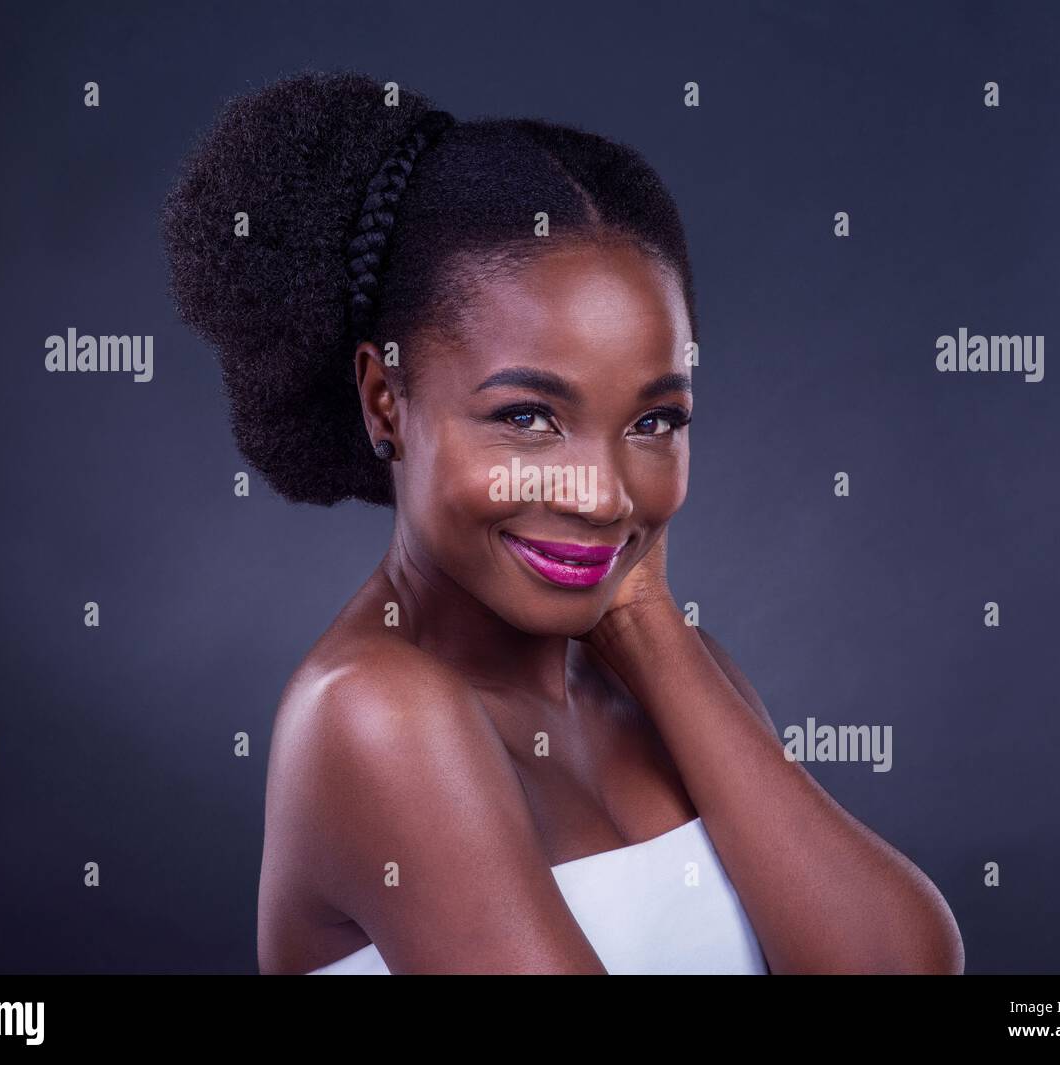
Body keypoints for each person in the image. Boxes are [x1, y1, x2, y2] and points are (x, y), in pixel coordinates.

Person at [161, 69, 964, 975]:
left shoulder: (661, 675)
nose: (603, 493)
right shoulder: (374, 711)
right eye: (528, 418)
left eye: (653, 421)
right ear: (385, 399)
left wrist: (645, 620)